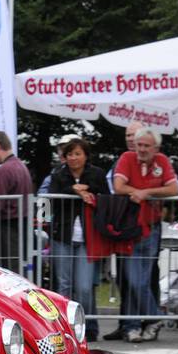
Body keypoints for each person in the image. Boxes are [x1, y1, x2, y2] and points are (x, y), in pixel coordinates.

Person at [111, 127, 178, 343]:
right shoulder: (127, 157)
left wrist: (146, 193)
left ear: (155, 148)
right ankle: (151, 318)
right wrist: (137, 192)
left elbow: (174, 188)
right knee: (133, 281)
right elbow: (118, 186)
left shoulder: (162, 161)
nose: (141, 149)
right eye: (139, 144)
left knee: (140, 280)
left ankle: (136, 325)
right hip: (129, 228)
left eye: (146, 146)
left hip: (151, 227)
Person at [45, 137, 107, 339]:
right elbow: (52, 198)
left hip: (88, 236)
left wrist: (87, 192)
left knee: (84, 286)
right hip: (62, 235)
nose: (73, 158)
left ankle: (88, 327)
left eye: (77, 153)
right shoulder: (59, 174)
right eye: (70, 154)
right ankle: (65, 328)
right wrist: (73, 190)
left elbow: (105, 197)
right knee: (63, 285)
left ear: (85, 155)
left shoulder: (96, 174)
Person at [0, 129, 32, 273]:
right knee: (15, 268)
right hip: (20, 224)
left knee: (6, 271)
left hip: (7, 228)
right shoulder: (21, 166)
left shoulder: (3, 171)